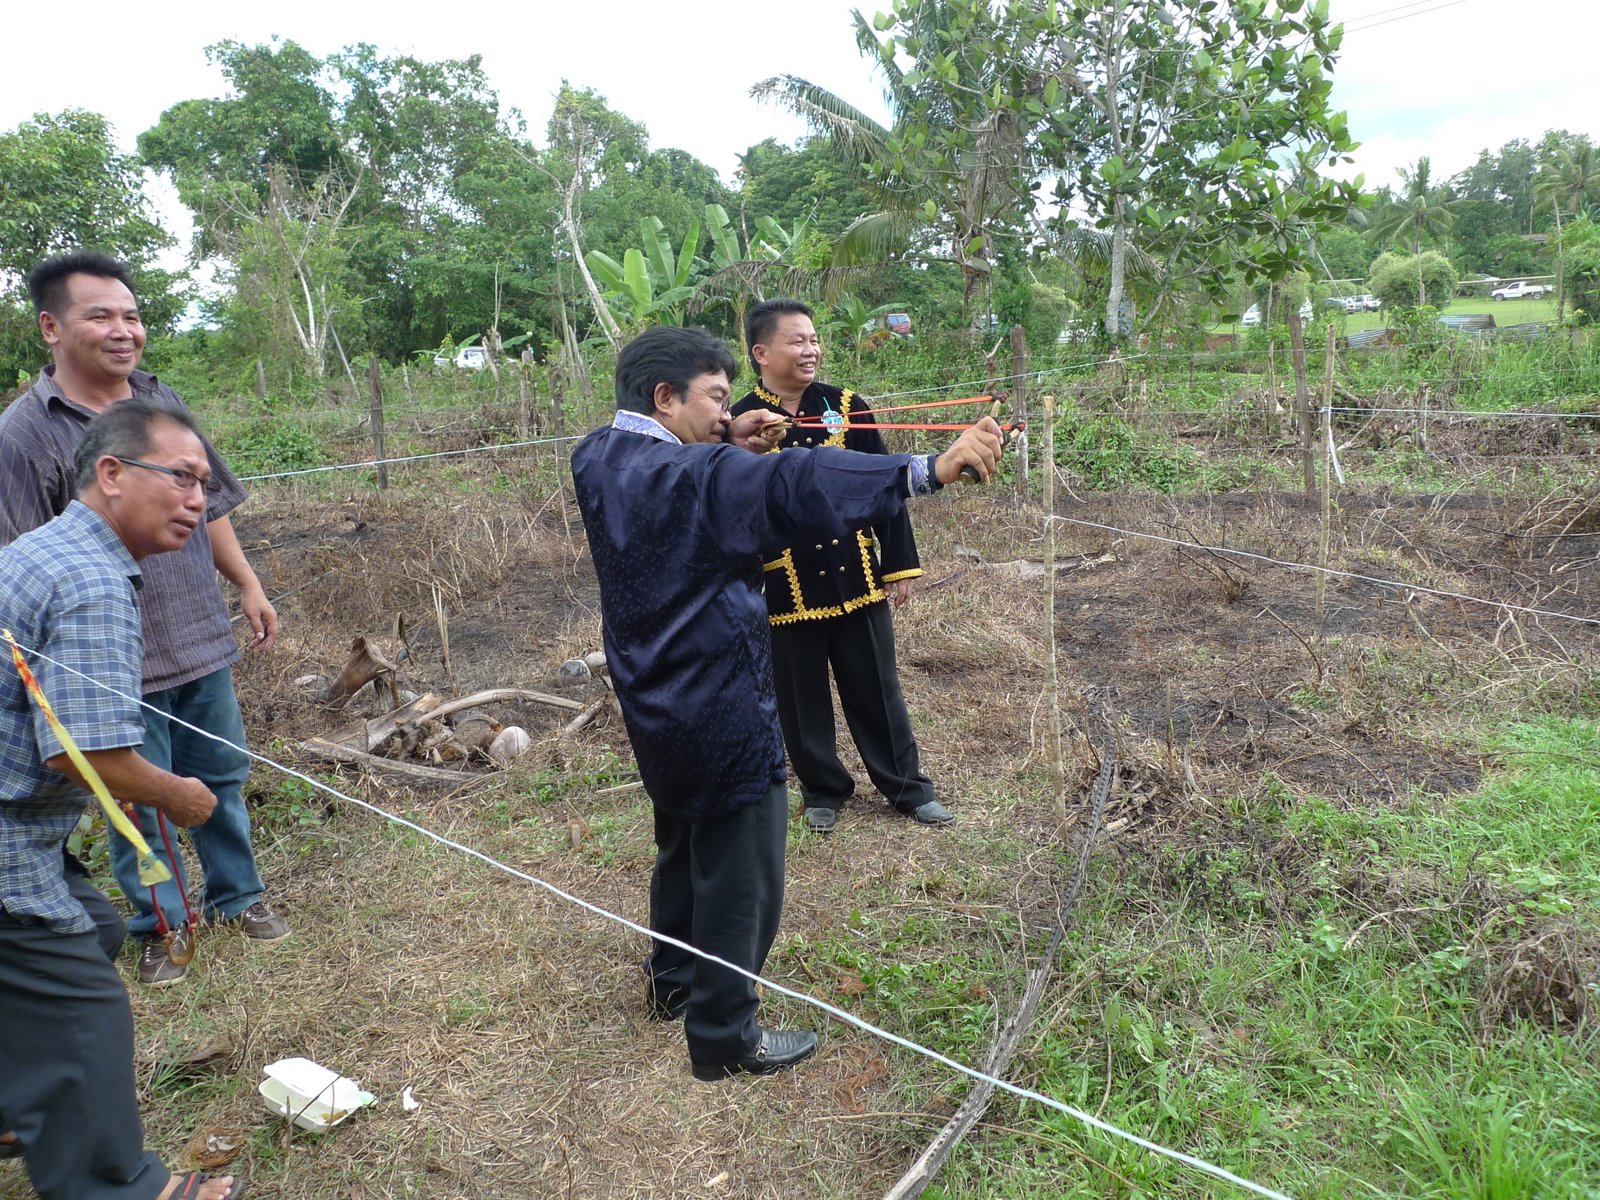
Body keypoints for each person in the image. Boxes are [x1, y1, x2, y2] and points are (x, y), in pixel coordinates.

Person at [571, 326, 1001, 1081]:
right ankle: (724, 1035)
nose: (725, 411)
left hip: (654, 696)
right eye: (714, 398)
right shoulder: (699, 476)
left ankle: (674, 983)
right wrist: (926, 470)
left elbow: (700, 468)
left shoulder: (600, 455)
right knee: (743, 869)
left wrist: (726, 434)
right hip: (721, 701)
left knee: (684, 841)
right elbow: (796, 483)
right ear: (665, 397)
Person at [0, 251, 288, 987]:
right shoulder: (25, 433)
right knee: (133, 793)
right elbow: (26, 557)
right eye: (100, 315)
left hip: (196, 636)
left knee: (220, 774)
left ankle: (239, 897)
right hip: (102, 661)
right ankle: (162, 924)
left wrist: (246, 583)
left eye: (131, 315)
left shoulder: (163, 403)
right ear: (51, 328)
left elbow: (209, 505)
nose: (122, 330)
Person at [0, 397, 240, 1200]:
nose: (198, 499)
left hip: (23, 824)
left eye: (203, 483)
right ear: (110, 473)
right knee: (83, 1011)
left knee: (98, 926)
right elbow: (88, 754)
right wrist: (181, 797)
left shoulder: (51, 549)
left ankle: (15, 1099)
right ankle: (117, 1186)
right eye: (181, 477)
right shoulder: (91, 581)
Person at [729, 298, 948, 834]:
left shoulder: (847, 405)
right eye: (797, 341)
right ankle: (822, 789)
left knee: (878, 688)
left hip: (857, 574)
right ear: (761, 352)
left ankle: (908, 787)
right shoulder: (738, 422)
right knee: (799, 697)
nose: (811, 350)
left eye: (814, 340)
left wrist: (899, 565)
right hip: (784, 586)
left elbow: (885, 482)